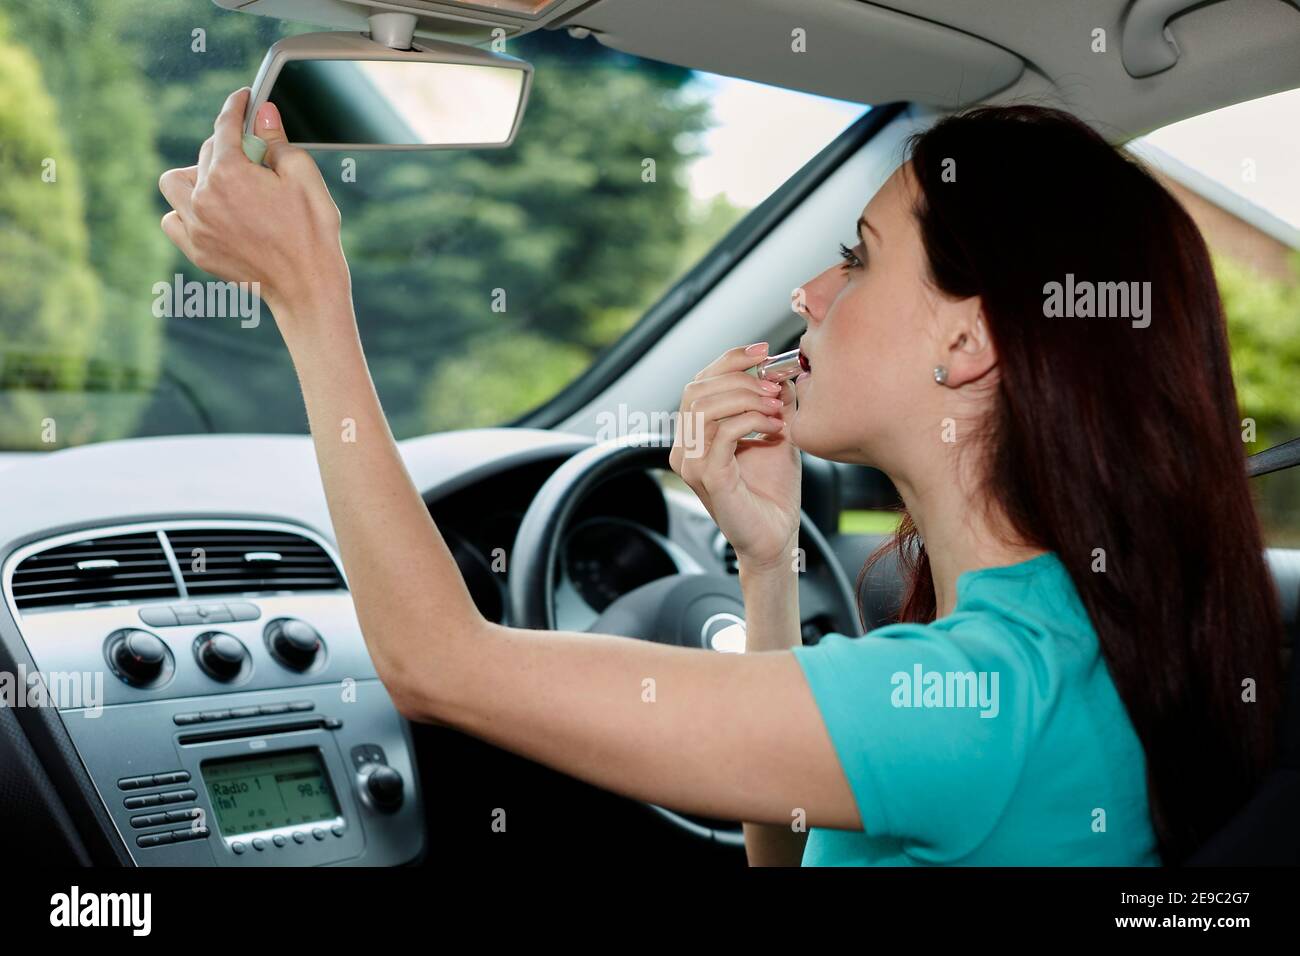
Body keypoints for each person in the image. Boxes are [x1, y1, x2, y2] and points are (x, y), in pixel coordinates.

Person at [158, 90, 1282, 866]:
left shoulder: (972, 697)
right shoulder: (1070, 632)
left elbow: (432, 663)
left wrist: (307, 295)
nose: (809, 292)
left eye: (857, 255)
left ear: (968, 343)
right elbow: (792, 837)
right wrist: (763, 562)